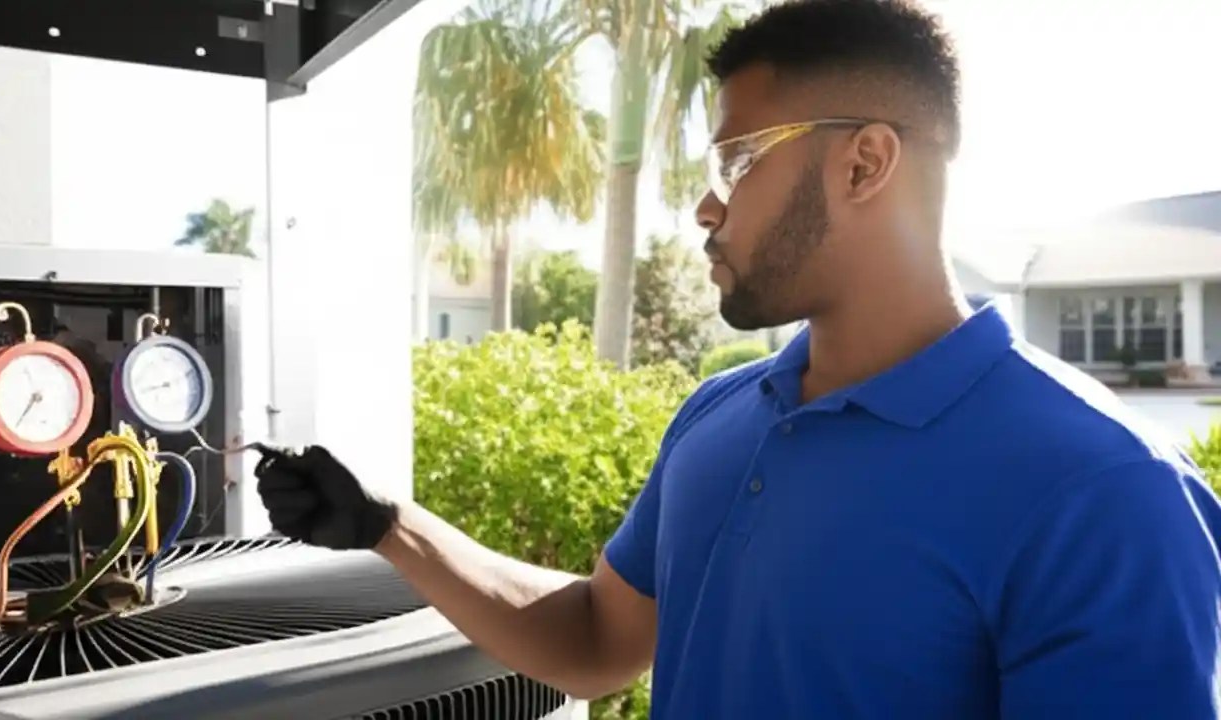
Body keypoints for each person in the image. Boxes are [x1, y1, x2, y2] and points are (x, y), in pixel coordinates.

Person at [254, 0, 1221, 717]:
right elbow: (597, 639)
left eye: (736, 162)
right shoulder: (721, 417)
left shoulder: (1105, 490)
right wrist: (389, 526)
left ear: (864, 162)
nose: (707, 207)